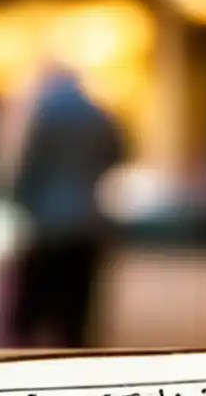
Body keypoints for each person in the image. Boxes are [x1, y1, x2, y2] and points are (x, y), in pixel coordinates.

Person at [10, 68, 123, 347]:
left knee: (39, 296)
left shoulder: (46, 116)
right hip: (87, 219)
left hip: (48, 221)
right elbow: (116, 155)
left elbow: (31, 164)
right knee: (77, 307)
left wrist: (22, 201)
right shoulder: (98, 115)